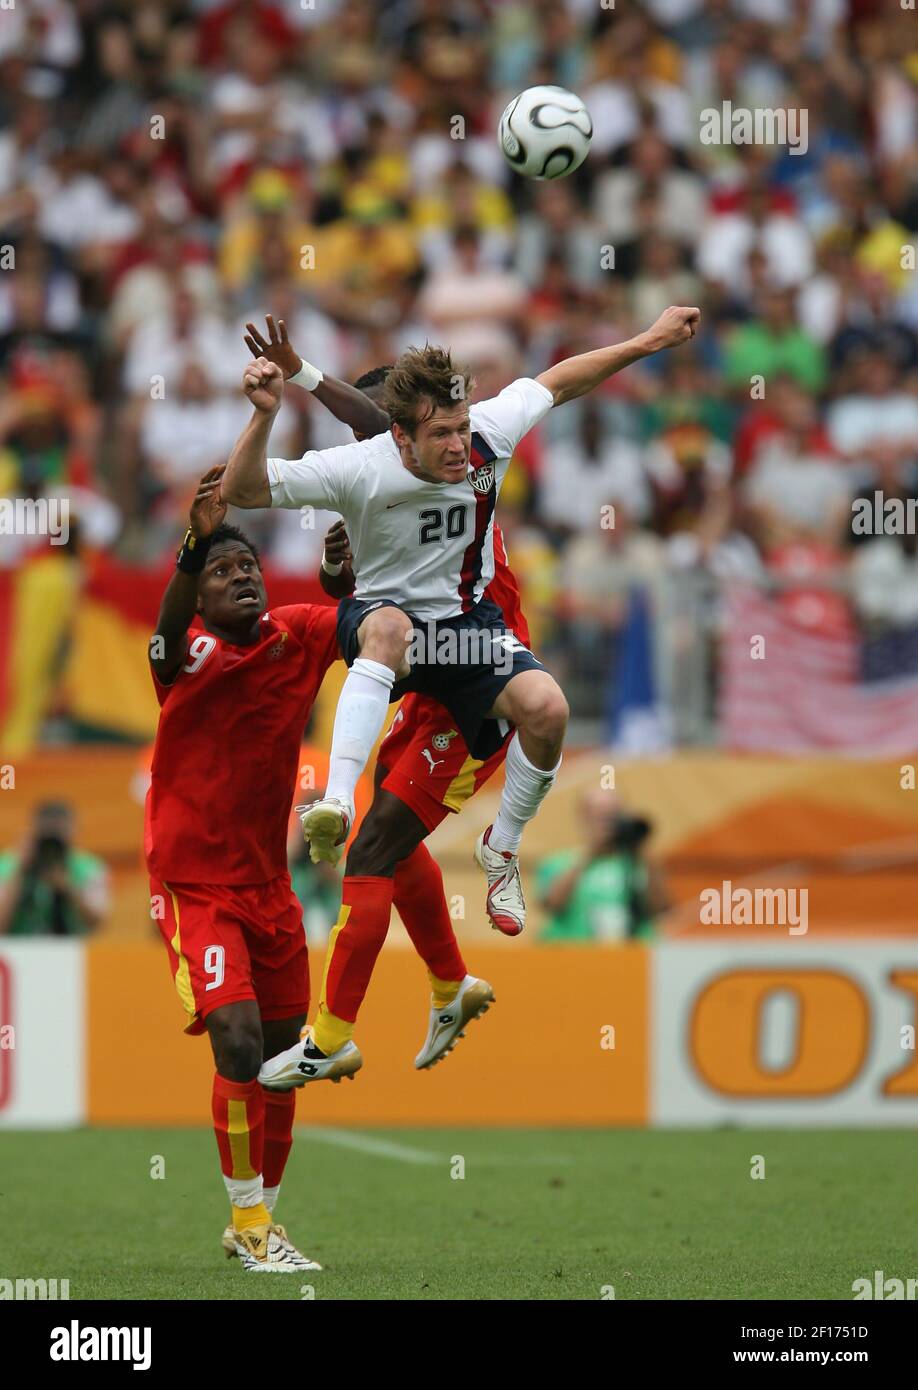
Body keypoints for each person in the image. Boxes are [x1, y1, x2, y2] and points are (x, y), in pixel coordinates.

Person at [222, 305, 700, 1078]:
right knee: (385, 820)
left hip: (472, 666)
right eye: (435, 431)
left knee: (385, 841)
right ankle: (441, 975)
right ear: (402, 434)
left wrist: (647, 339)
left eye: (458, 429)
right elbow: (345, 453)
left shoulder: (480, 446)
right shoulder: (370, 465)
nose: (455, 444)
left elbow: (555, 382)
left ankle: (483, 866)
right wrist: (287, 409)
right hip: (413, 660)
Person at [145, 464, 350, 1274]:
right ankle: (253, 1224)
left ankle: (255, 1222)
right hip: (196, 885)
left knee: (280, 1063)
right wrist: (197, 541)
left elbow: (371, 629)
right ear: (198, 595)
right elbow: (162, 633)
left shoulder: (295, 635)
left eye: (250, 568)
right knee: (234, 1039)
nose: (243, 579)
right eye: (224, 572)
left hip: (271, 888)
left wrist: (345, 574)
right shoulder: (183, 654)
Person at [536, 792, 663, 943]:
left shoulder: (639, 863)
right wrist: (590, 853)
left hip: (632, 958)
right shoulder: (559, 862)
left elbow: (660, 908)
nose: (610, 826)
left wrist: (639, 848)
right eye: (603, 818)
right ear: (584, 819)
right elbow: (552, 905)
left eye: (615, 817)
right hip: (574, 956)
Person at [0, 802, 109, 936]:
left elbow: (97, 923)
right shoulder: (6, 866)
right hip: (16, 950)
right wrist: (19, 871)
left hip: (71, 949)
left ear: (73, 832)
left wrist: (68, 887)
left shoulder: (89, 868)